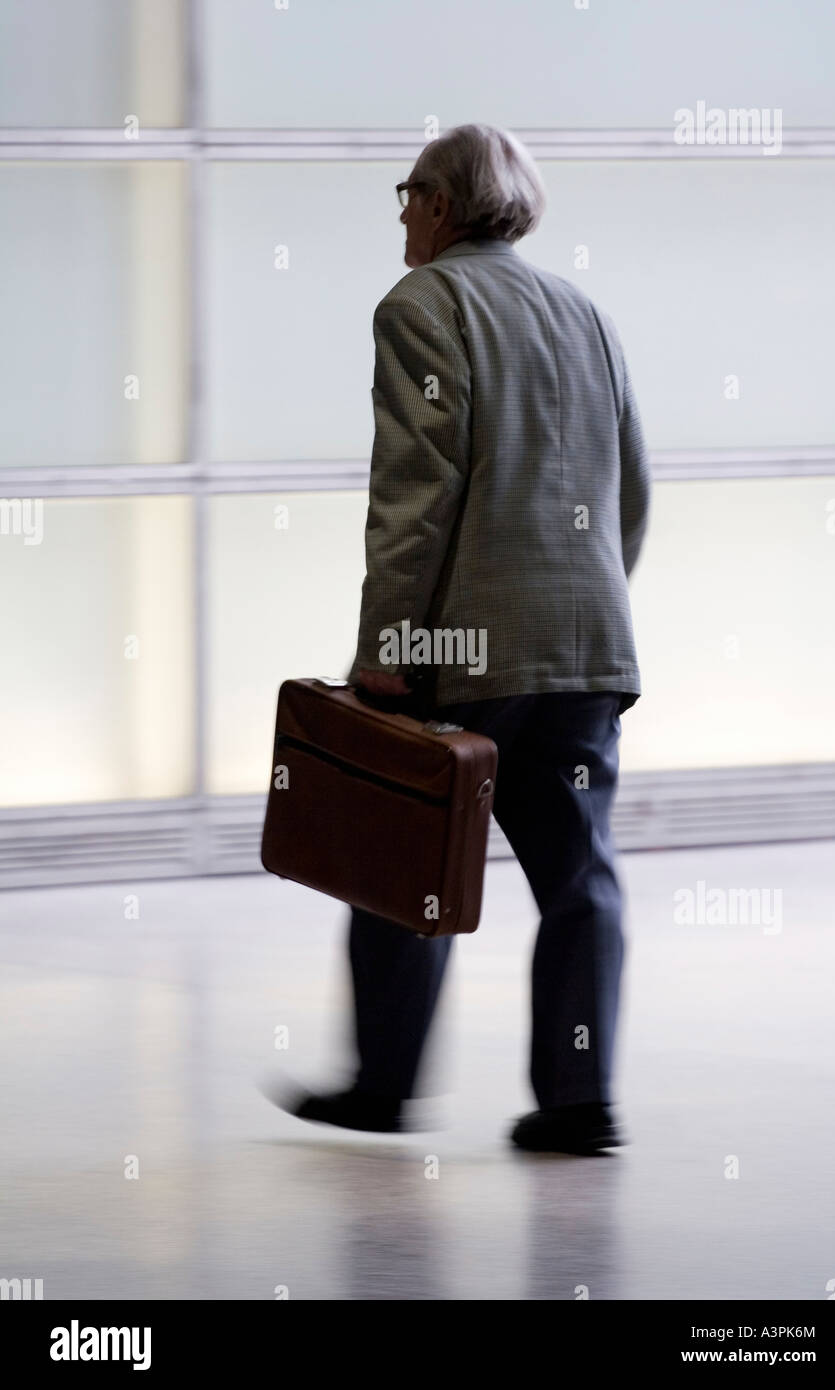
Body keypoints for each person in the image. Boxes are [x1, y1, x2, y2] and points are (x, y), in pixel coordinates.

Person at [272, 123, 650, 1155]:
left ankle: (383, 1086)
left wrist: (387, 646)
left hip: (465, 649)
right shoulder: (585, 314)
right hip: (583, 647)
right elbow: (630, 494)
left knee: (403, 851)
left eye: (406, 193)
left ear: (440, 206)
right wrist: (582, 605)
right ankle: (577, 1100)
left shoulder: (422, 306)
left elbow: (415, 493)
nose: (399, 212)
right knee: (580, 877)